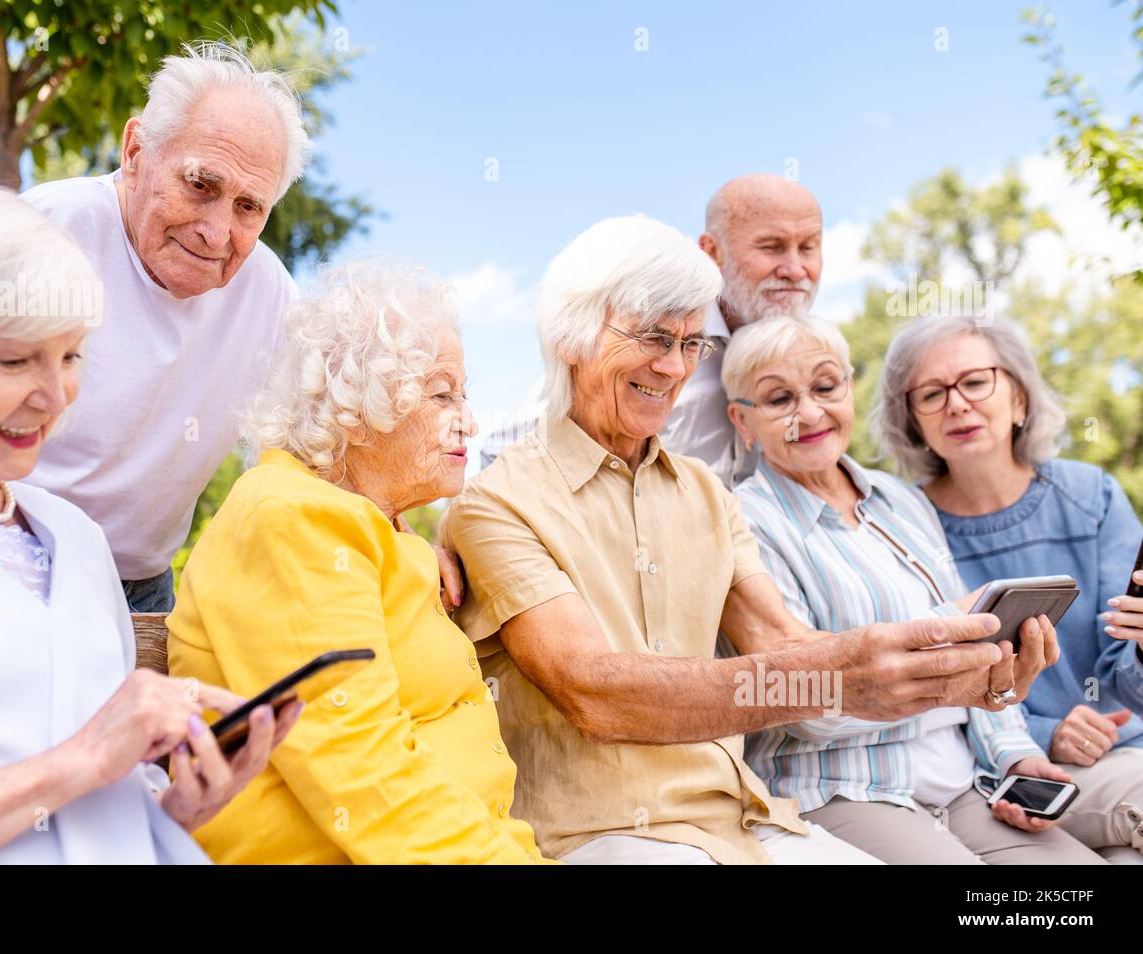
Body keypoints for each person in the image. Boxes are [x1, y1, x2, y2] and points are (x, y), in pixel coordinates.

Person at [442, 215, 1052, 865]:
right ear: (574, 336)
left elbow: (783, 644)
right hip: (602, 831)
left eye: (688, 343)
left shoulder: (707, 492)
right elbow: (598, 694)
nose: (672, 367)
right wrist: (844, 677)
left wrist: (951, 677)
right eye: (653, 337)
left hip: (742, 819)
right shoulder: (497, 502)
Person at [0, 185, 300, 864]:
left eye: (72, 357)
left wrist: (177, 807)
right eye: (14, 359)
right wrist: (77, 764)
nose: (56, 397)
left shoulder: (74, 537)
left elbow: (111, 786)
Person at [168, 262, 548, 864]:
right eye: (442, 393)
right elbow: (360, 764)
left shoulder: (376, 527)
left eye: (465, 394)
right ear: (361, 406)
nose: (469, 422)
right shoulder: (290, 519)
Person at [725, 314, 1100, 863]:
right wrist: (950, 641)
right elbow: (802, 701)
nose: (810, 413)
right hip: (844, 788)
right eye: (779, 399)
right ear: (743, 422)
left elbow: (982, 660)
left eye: (826, 386)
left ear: (850, 388)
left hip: (965, 781)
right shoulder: (746, 522)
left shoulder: (901, 501)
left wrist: (1016, 757)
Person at [20, 41, 310, 612]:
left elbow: (324, 442)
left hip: (141, 585)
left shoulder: (271, 294)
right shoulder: (39, 234)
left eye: (249, 207)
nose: (216, 232)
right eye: (200, 184)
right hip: (6, 552)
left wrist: (409, 534)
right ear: (135, 152)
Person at [875, 314, 1143, 862]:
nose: (956, 404)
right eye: (931, 393)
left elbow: (1129, 681)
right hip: (1010, 776)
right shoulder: (902, 526)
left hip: (1125, 752)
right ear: (912, 422)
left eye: (975, 382)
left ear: (1019, 400)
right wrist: (1047, 733)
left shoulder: (1090, 496)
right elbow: (928, 691)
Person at [477, 173, 823, 487]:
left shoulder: (810, 351)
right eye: (772, 247)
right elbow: (501, 457)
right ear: (712, 252)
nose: (795, 269)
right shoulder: (646, 330)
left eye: (808, 247)